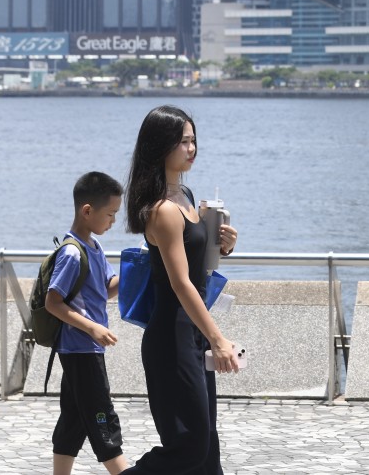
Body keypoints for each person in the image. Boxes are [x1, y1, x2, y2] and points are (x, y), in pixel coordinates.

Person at [123, 105, 239, 474]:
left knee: (207, 448)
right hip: (172, 337)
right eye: (183, 142)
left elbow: (197, 264)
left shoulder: (185, 196)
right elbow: (180, 282)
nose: (192, 148)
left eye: (193, 140)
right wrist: (218, 339)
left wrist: (224, 245)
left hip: (192, 331)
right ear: (160, 146)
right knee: (189, 446)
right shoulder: (163, 210)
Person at [47, 171, 128, 475]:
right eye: (110, 214)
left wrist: (138, 271)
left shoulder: (94, 246)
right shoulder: (72, 252)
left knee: (73, 420)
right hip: (81, 348)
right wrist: (92, 327)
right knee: (102, 419)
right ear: (87, 211)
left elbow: (106, 289)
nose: (113, 221)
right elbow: (53, 302)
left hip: (83, 349)